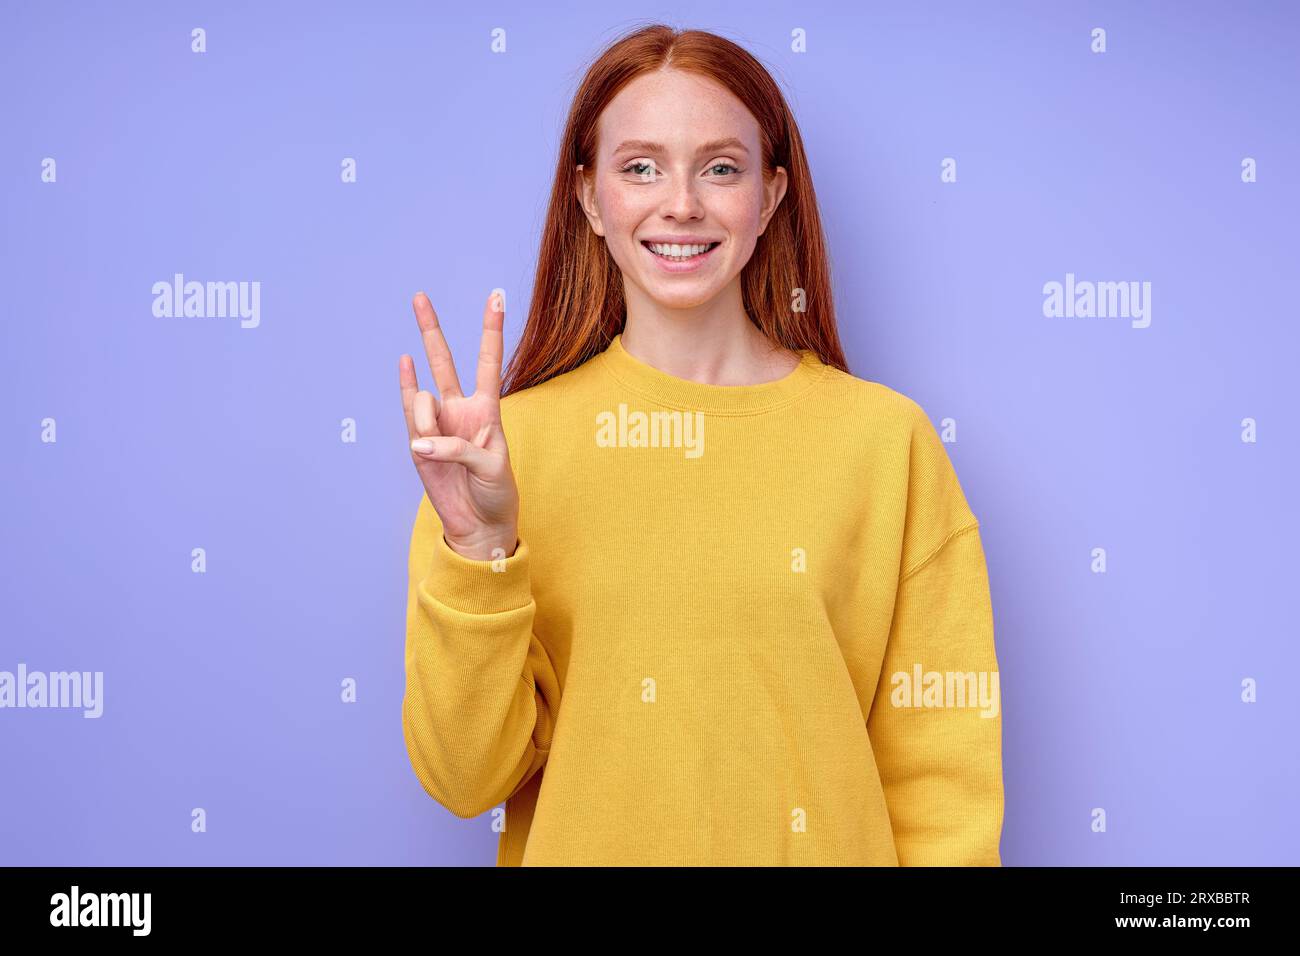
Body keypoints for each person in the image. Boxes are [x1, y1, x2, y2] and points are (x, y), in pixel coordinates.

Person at [398, 23, 1003, 866]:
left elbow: (944, 787)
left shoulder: (885, 443)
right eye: (639, 166)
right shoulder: (500, 456)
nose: (680, 202)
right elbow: (466, 781)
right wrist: (479, 547)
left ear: (772, 195)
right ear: (587, 197)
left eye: (720, 167)